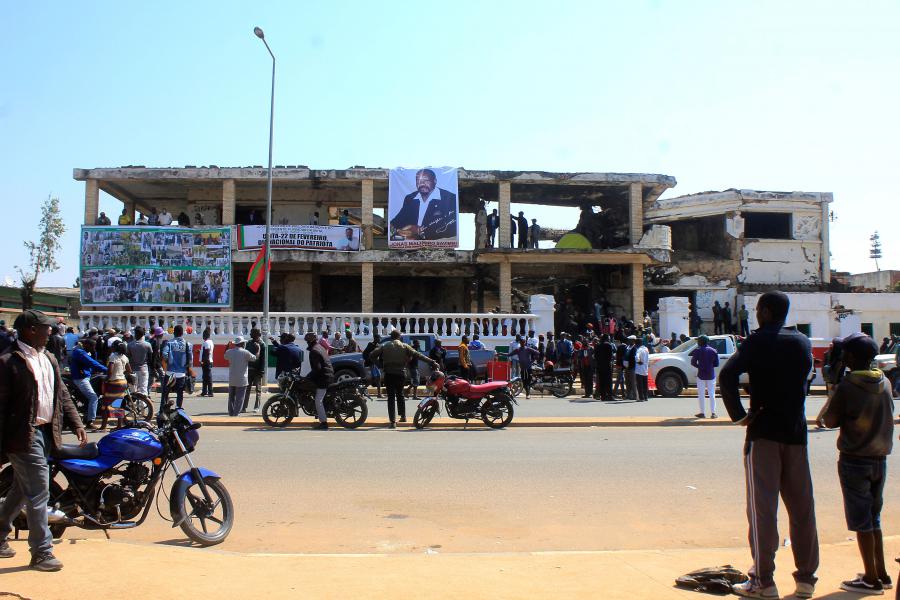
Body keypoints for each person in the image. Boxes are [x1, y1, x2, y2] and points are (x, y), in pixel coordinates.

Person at [719, 291, 819, 599]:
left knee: (763, 510)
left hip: (763, 433)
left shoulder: (758, 340)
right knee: (802, 508)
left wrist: (739, 416)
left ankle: (763, 580)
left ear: (764, 311)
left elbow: (728, 375)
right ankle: (805, 580)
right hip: (796, 433)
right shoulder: (802, 342)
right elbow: (805, 381)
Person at [0, 310, 87, 571]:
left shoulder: (48, 358)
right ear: (29, 330)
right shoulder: (8, 362)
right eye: (45, 327)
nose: (50, 331)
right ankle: (41, 551)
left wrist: (78, 423)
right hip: (22, 435)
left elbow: (62, 395)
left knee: (20, 488)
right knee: (39, 491)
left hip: (47, 433)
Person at [820, 333, 894, 594]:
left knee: (862, 521)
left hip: (855, 460)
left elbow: (828, 421)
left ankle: (871, 579)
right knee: (874, 518)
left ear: (850, 357)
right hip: (879, 459)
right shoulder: (884, 381)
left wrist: (835, 386)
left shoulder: (849, 386)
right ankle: (882, 572)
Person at [369, 331, 436, 428]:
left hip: (389, 373)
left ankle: (392, 422)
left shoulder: (384, 346)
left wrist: (380, 365)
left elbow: (371, 355)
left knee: (391, 397)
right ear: (399, 337)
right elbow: (418, 355)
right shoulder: (405, 346)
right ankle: (403, 416)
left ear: (391, 337)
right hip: (401, 374)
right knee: (400, 395)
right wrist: (432, 362)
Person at [389, 168, 457, 241]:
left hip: (438, 249)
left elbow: (451, 226)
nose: (421, 183)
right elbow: (397, 222)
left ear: (435, 181)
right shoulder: (410, 198)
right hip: (411, 249)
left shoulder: (450, 198)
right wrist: (398, 231)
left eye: (426, 180)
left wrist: (420, 232)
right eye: (418, 180)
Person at [68, 337, 107, 429]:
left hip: (87, 376)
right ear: (86, 345)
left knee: (96, 391)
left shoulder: (85, 352)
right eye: (93, 346)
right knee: (93, 397)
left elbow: (93, 363)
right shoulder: (80, 352)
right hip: (81, 379)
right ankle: (90, 421)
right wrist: (108, 370)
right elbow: (92, 363)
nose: (94, 348)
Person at [304, 332, 334, 430]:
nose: (307, 343)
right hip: (327, 375)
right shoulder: (320, 347)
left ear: (310, 341)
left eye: (307, 341)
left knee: (318, 400)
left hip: (324, 377)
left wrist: (307, 377)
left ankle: (324, 423)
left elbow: (317, 369)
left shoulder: (314, 351)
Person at [100, 340, 132, 431]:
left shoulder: (113, 357)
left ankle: (103, 426)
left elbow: (110, 372)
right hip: (122, 383)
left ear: (115, 348)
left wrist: (105, 380)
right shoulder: (125, 357)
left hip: (114, 383)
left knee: (106, 404)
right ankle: (118, 426)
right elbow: (129, 370)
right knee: (117, 404)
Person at [161, 325, 192, 408]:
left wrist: (169, 362)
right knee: (180, 393)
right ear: (182, 333)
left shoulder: (169, 343)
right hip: (181, 374)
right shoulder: (187, 344)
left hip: (170, 373)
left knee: (165, 392)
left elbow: (164, 354)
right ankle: (178, 409)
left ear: (174, 333)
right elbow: (190, 360)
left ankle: (163, 410)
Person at [224, 337, 256, 417]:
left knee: (231, 397)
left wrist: (227, 346)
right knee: (240, 398)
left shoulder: (229, 352)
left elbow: (225, 355)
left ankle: (231, 413)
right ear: (242, 344)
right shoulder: (245, 352)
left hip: (232, 378)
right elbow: (254, 358)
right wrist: (258, 350)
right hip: (242, 379)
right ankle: (236, 414)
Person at [690, 336, 719, 418]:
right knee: (712, 394)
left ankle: (702, 413)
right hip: (711, 374)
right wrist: (709, 366)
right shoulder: (713, 351)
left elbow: (693, 362)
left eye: (698, 341)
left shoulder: (697, 351)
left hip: (701, 375)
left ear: (701, 342)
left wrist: (699, 366)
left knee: (701, 394)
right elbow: (717, 364)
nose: (697, 342)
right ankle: (713, 413)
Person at [127, 326, 152, 397]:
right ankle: (142, 406)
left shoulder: (130, 345)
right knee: (143, 389)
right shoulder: (147, 345)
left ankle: (133, 406)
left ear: (135, 334)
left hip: (133, 370)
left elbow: (128, 359)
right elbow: (150, 359)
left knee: (133, 390)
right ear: (143, 334)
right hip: (144, 369)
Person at [243, 329, 265, 413]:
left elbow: (263, 359)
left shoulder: (262, 344)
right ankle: (244, 407)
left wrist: (262, 371)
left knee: (258, 390)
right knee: (246, 389)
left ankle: (257, 406)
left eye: (251, 333)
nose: (250, 334)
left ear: (257, 334)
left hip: (257, 370)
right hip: (249, 369)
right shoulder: (248, 343)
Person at [594, 334, 615, 401]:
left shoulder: (598, 345)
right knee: (608, 381)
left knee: (602, 381)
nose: (609, 339)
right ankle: (610, 396)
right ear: (606, 338)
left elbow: (596, 356)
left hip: (600, 366)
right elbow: (610, 356)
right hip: (607, 365)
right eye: (608, 338)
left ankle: (603, 396)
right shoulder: (608, 345)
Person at [200, 328, 215, 397]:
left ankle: (210, 392)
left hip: (206, 361)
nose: (203, 336)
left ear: (206, 335)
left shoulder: (206, 342)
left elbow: (207, 351)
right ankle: (204, 391)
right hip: (209, 361)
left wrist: (203, 361)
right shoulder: (210, 342)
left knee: (208, 377)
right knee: (206, 377)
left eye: (203, 334)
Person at [622, 335, 638, 400]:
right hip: (626, 367)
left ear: (633, 340)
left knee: (633, 382)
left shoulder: (635, 348)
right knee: (627, 382)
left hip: (632, 367)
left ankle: (635, 396)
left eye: (630, 340)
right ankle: (628, 395)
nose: (628, 341)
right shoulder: (627, 347)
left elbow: (633, 358)